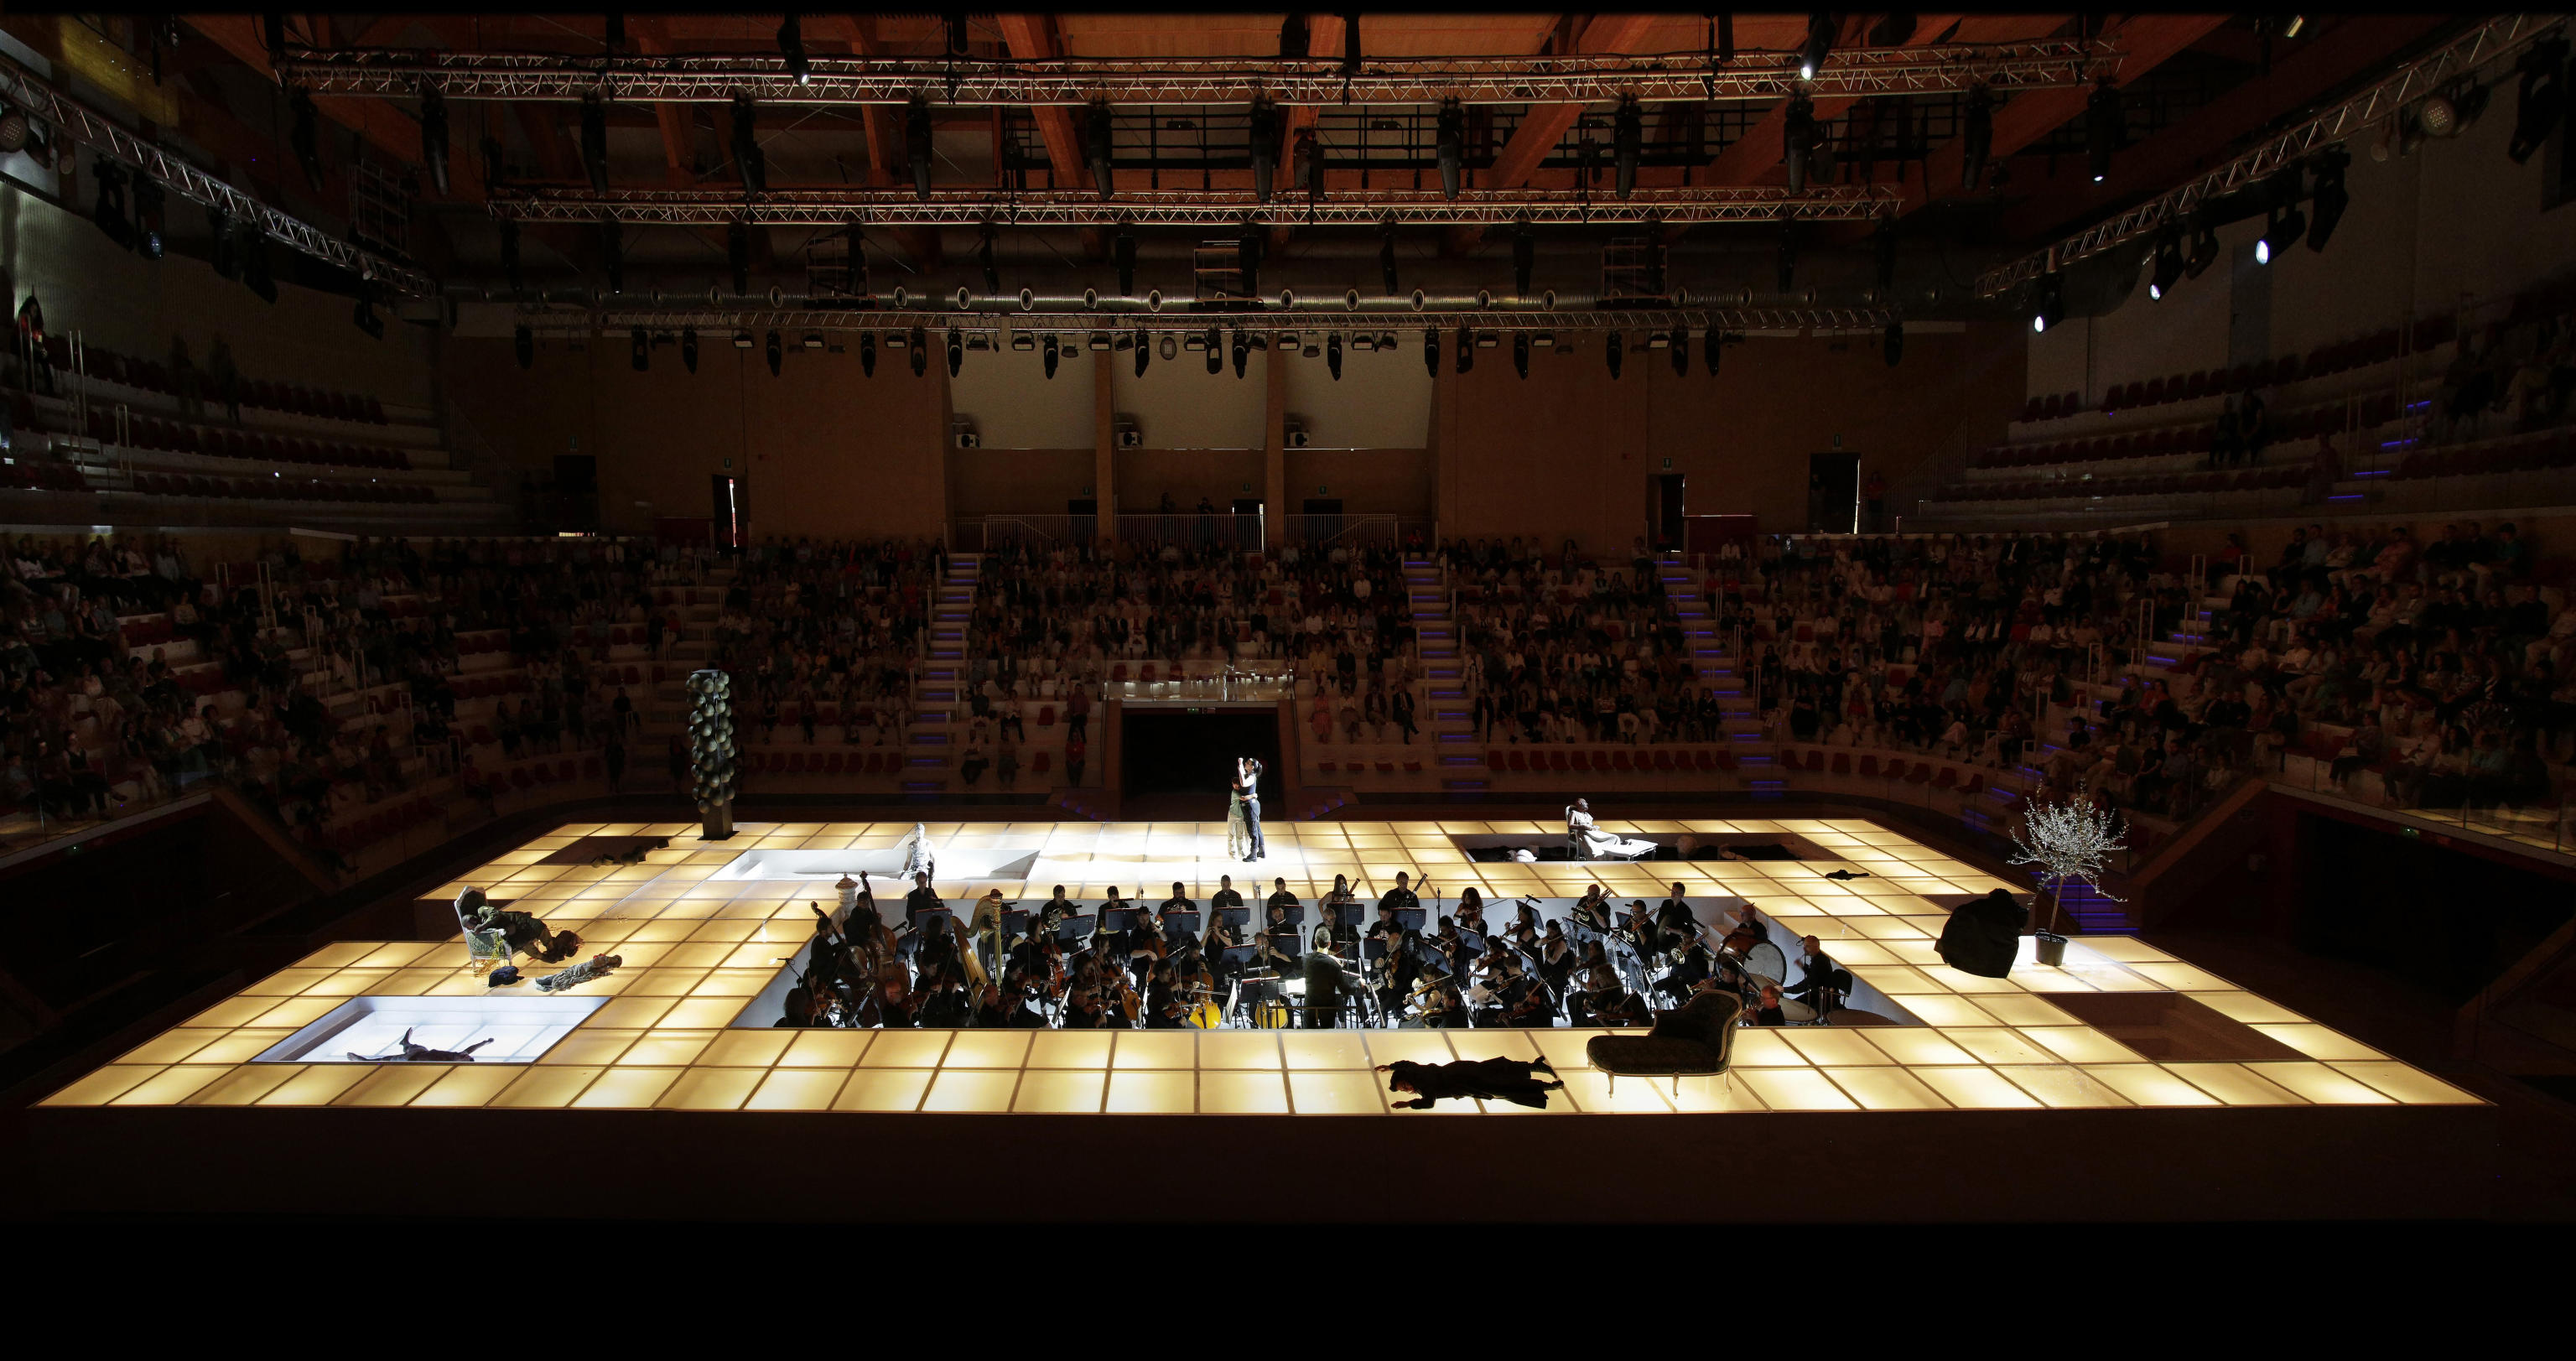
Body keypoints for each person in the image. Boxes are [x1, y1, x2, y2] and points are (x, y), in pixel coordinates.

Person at [1376, 1056, 1561, 1109]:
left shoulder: (1423, 1083)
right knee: (1499, 1071)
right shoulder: (1417, 1071)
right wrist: (1390, 1066)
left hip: (1466, 1082)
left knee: (1505, 1086)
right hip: (1461, 1071)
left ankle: (1546, 1085)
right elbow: (1405, 1063)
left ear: (1406, 1080)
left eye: (1404, 1086)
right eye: (1404, 1090)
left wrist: (1408, 1104)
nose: (1407, 1089)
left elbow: (1429, 1101)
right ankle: (1536, 1068)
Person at [1567, 797, 1655, 859]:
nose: (1586, 804)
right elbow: (1570, 826)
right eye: (1584, 802)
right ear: (1579, 803)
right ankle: (1598, 858)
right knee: (1593, 848)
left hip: (1594, 832)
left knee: (1615, 838)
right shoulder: (1574, 813)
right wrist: (1582, 826)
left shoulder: (1587, 815)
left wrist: (1593, 827)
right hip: (1583, 833)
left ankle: (1610, 855)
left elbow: (1591, 826)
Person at [1233, 756, 1265, 861]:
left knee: (1253, 831)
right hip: (1250, 806)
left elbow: (1243, 783)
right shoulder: (1249, 775)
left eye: (1248, 763)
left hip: (1251, 807)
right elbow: (1242, 776)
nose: (1246, 763)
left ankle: (1253, 854)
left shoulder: (1251, 777)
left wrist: (1240, 767)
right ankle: (1261, 851)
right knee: (1256, 828)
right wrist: (1240, 765)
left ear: (1252, 767)